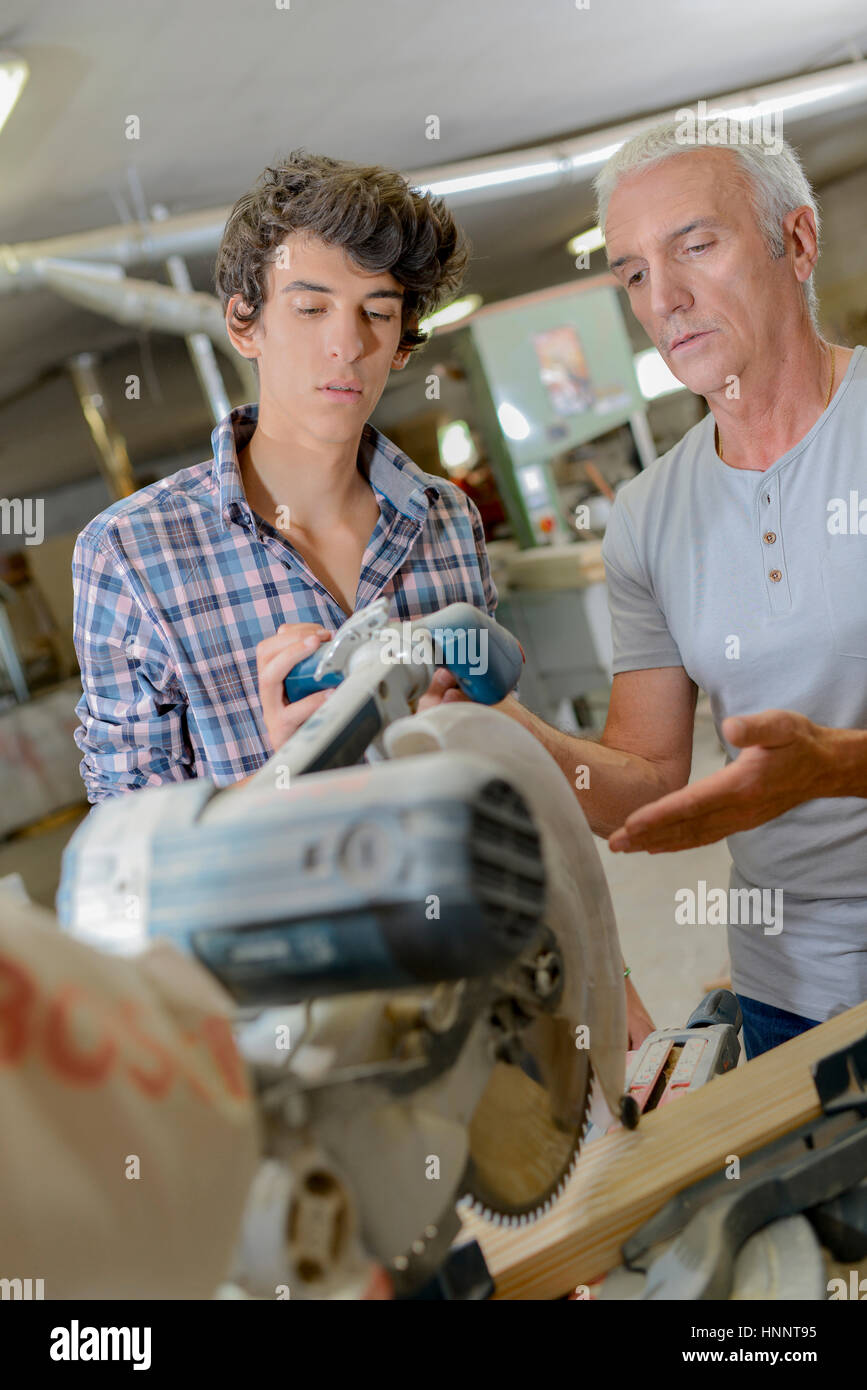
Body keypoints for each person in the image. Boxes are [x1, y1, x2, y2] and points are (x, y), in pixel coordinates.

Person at [431, 117, 867, 1058]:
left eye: (694, 247)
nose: (663, 298)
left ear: (796, 242)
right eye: (631, 273)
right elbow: (644, 783)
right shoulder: (645, 515)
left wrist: (836, 767)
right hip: (793, 989)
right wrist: (509, 729)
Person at [71, 151, 493, 800]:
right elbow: (126, 844)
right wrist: (278, 782)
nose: (347, 346)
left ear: (404, 341)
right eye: (310, 308)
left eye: (376, 314)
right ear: (245, 324)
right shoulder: (129, 553)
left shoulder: (449, 520)